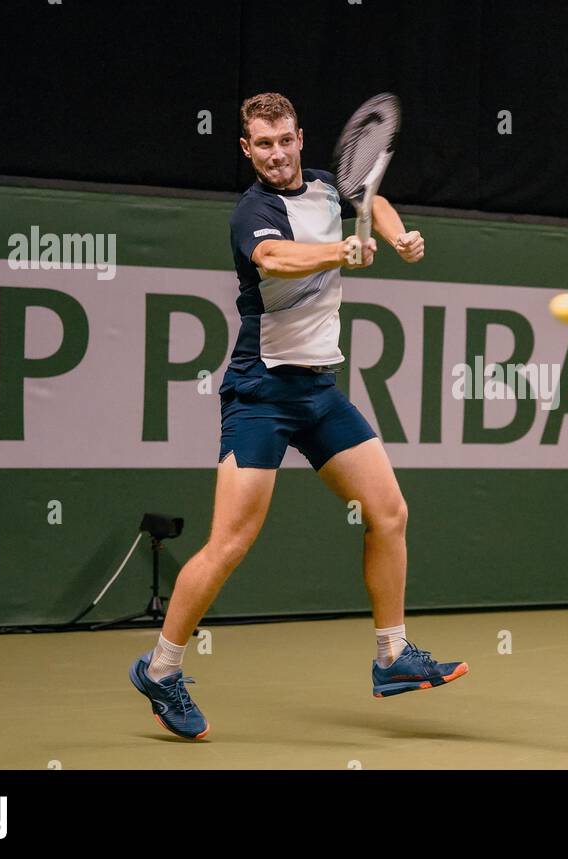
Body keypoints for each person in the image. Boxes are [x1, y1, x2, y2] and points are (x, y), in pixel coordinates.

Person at [128, 92, 468, 740]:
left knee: (389, 510)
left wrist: (396, 236)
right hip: (260, 395)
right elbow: (277, 259)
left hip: (319, 392)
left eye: (285, 139)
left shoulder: (322, 186)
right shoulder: (251, 213)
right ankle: (161, 667)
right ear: (246, 149)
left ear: (301, 137)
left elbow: (368, 198)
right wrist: (340, 253)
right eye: (263, 143)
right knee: (229, 543)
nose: (277, 152)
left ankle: (392, 655)